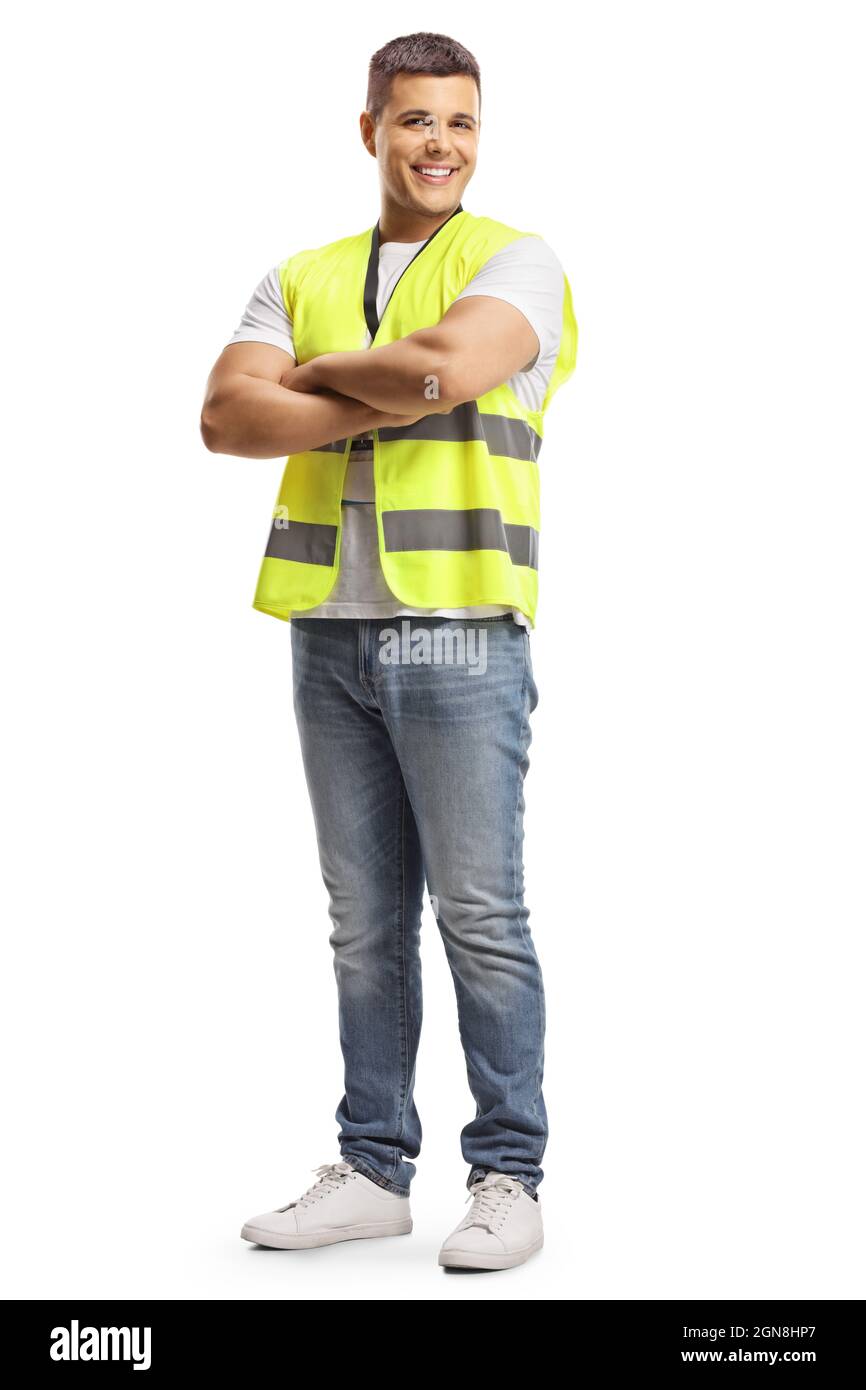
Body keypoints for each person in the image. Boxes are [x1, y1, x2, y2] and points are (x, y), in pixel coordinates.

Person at [200, 30, 577, 1272]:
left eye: (460, 124)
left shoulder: (515, 264)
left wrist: (322, 383)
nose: (439, 146)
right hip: (329, 633)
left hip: (458, 634)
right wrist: (397, 382)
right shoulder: (301, 271)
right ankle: (372, 1165)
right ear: (370, 129)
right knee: (363, 922)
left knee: (479, 916)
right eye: (416, 121)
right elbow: (225, 416)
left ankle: (507, 1176)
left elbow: (450, 365)